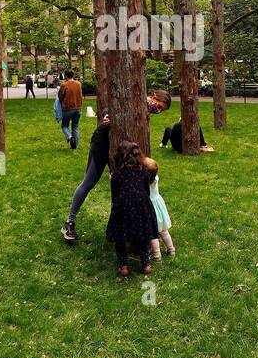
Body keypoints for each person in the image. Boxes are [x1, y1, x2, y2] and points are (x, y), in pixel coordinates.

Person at [106, 140, 158, 277]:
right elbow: (146, 192)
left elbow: (114, 194)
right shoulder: (143, 174)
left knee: (120, 238)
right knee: (143, 236)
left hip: (122, 205)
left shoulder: (117, 175)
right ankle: (146, 264)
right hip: (141, 204)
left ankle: (123, 266)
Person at [61, 113, 111, 243]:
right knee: (89, 182)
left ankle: (119, 227)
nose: (158, 110)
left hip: (122, 149)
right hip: (102, 145)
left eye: (161, 110)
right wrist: (106, 115)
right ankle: (69, 222)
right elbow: (108, 107)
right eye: (160, 106)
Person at [145, 156, 175, 260]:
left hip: (150, 209)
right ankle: (171, 249)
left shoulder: (144, 183)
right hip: (159, 206)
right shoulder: (156, 178)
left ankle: (157, 255)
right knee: (163, 231)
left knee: (152, 234)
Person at [58, 70, 83, 149]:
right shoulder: (78, 84)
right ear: (73, 75)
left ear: (65, 76)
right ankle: (75, 146)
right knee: (75, 127)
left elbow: (60, 96)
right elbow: (81, 95)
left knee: (64, 126)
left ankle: (69, 137)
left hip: (67, 108)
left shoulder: (64, 85)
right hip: (78, 108)